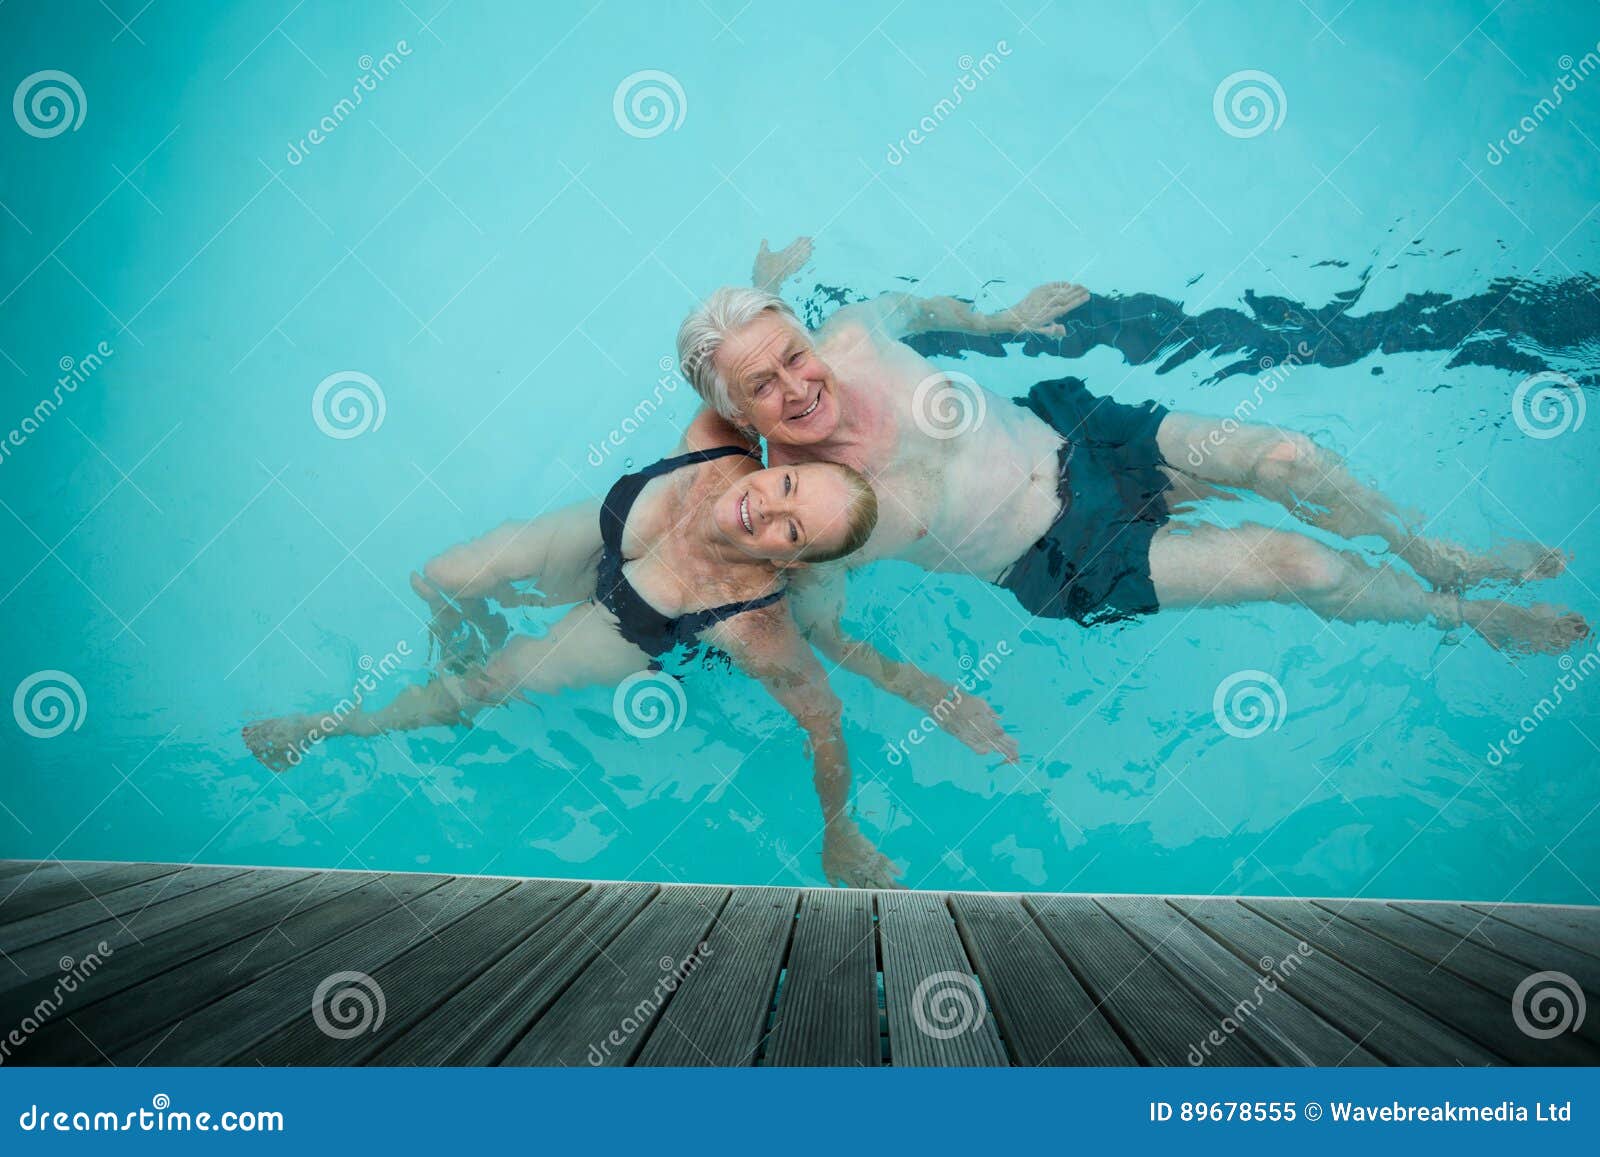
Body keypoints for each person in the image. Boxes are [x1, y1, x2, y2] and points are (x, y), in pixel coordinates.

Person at [243, 401, 1014, 888]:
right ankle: (460, 630)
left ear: (786, 562)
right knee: (441, 578)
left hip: (627, 626)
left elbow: (824, 719)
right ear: (777, 464)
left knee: (486, 687)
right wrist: (768, 282)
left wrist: (840, 828)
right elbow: (731, 356)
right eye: (785, 488)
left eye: (791, 529)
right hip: (599, 539)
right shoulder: (720, 443)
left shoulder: (753, 622)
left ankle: (330, 727)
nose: (767, 509)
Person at [676, 256, 1588, 659]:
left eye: (792, 355)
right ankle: (1459, 616)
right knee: (1298, 563)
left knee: (1288, 455)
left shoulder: (851, 336)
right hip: (1064, 558)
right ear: (737, 414)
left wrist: (1006, 320)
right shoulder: (810, 501)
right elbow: (808, 604)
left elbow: (915, 308)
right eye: (763, 389)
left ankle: (1438, 553)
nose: (798, 387)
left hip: (1080, 435)